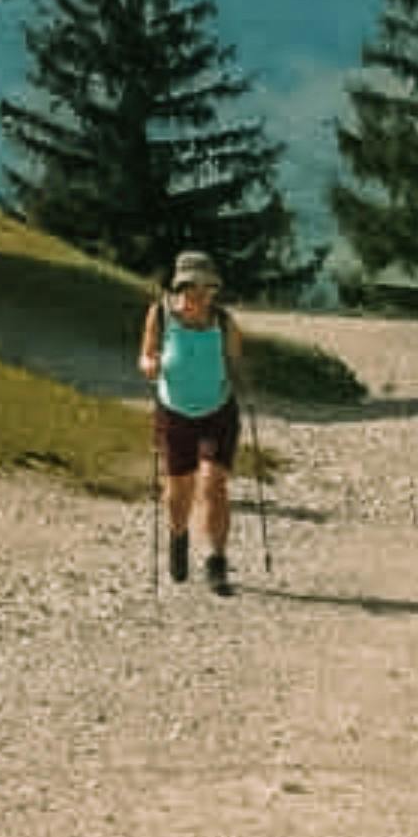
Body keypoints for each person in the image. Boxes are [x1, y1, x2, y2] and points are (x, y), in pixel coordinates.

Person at [138, 246, 251, 591]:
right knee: (179, 490)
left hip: (219, 411)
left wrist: (243, 382)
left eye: (205, 288)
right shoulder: (160, 315)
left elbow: (236, 361)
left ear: (213, 290)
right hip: (175, 412)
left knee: (214, 484)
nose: (198, 295)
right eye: (190, 287)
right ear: (179, 287)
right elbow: (145, 355)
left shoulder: (225, 322)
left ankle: (217, 562)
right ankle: (178, 536)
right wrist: (151, 365)